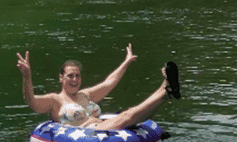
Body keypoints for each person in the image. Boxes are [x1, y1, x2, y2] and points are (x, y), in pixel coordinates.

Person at [16, 44, 180, 132]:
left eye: (77, 76)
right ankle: (165, 91)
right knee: (128, 114)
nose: (74, 80)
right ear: (61, 78)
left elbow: (109, 82)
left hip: (104, 127)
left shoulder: (85, 95)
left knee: (131, 116)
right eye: (70, 76)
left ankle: (165, 92)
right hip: (91, 134)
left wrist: (127, 62)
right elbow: (31, 101)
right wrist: (27, 76)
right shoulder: (55, 101)